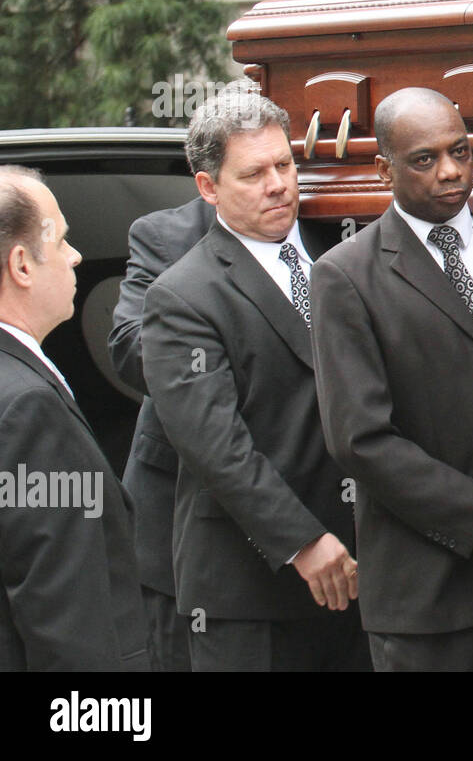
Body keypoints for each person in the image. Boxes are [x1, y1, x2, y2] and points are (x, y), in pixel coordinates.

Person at [310, 87, 473, 671]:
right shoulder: (344, 276)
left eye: (459, 150)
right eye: (425, 159)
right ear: (384, 169)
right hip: (424, 601)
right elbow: (360, 438)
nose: (452, 171)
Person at [141, 88, 366, 671]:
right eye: (254, 173)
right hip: (250, 596)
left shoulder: (345, 251)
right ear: (208, 187)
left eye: (285, 164)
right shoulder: (182, 296)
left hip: (366, 579)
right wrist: (302, 540)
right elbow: (215, 445)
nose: (278, 184)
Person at [0, 166, 151, 670]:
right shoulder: (28, 408)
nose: (76, 256)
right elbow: (65, 611)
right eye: (62, 240)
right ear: (22, 264)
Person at [109, 194, 215, 672]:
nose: (276, 183)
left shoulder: (336, 225)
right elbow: (131, 348)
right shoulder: (167, 234)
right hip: (174, 524)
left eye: (284, 163)